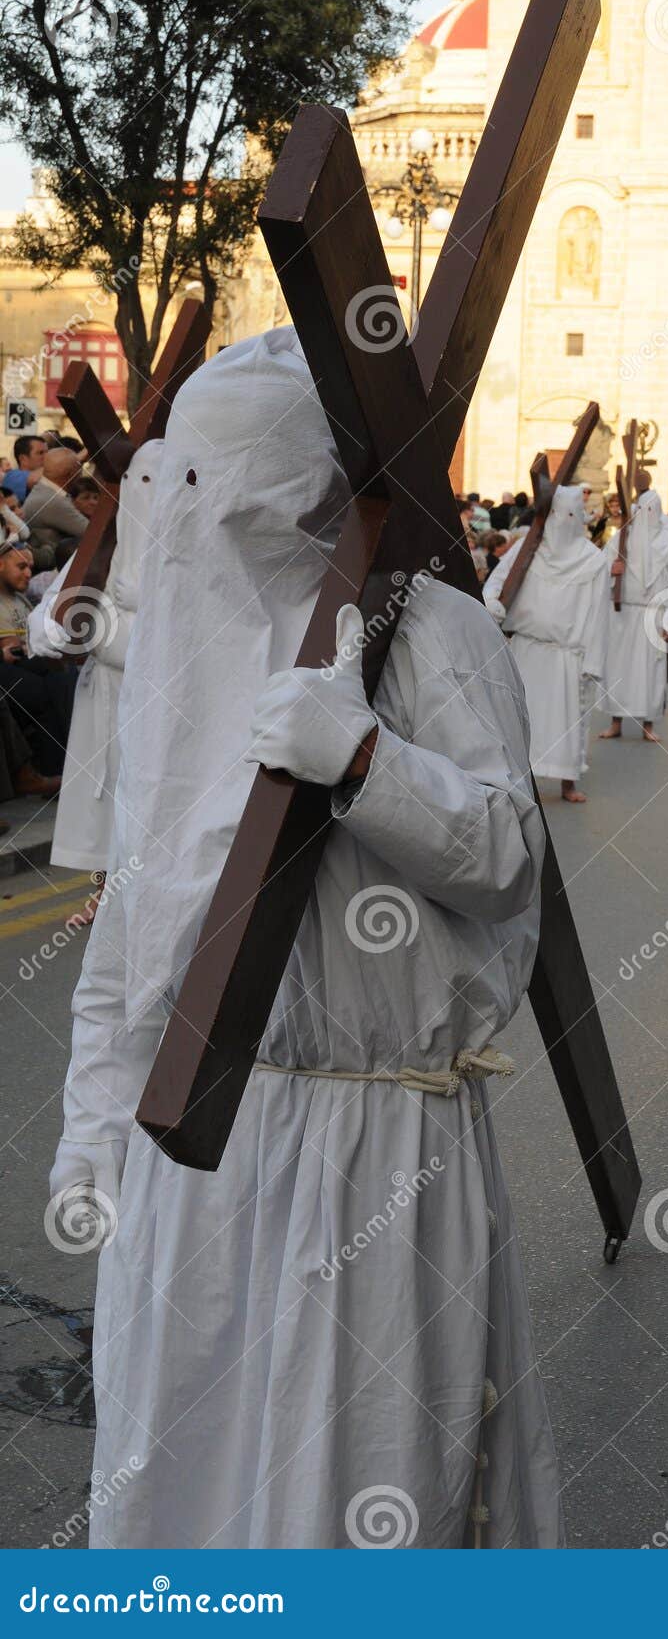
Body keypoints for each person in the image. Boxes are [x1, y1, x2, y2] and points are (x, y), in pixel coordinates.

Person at [48, 327, 561, 1550]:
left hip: (371, 1153)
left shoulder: (431, 631)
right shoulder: (179, 641)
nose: (199, 523)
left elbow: (503, 859)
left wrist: (368, 764)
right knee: (179, 1486)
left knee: (352, 1494)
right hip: (197, 1148)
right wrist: (91, 1130)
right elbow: (135, 919)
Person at [31, 442, 161, 888]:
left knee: (146, 802)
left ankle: (137, 889)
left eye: (151, 483)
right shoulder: (107, 538)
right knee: (102, 802)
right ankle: (104, 888)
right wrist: (50, 629)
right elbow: (58, 601)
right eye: (134, 481)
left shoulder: (184, 549)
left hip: (153, 700)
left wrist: (144, 604)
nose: (140, 492)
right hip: (103, 693)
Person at [484, 483, 608, 804]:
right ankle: (517, 779)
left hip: (567, 655)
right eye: (557, 514)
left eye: (570, 515)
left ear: (579, 518)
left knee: (570, 722)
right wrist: (493, 605)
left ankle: (568, 782)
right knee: (521, 717)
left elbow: (598, 615)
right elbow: (497, 581)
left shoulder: (593, 561)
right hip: (526, 648)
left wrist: (593, 662)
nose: (562, 522)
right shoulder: (528, 547)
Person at [599, 487, 668, 744]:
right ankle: (616, 721)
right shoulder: (621, 538)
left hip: (654, 615)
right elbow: (600, 565)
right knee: (619, 668)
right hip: (623, 613)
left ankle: (648, 724)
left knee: (652, 670)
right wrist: (611, 568)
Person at [0, 544, 77, 776]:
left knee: (62, 677)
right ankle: (56, 769)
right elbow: (11, 649)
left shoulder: (21, 600)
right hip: (7, 667)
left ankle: (63, 766)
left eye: (30, 568)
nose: (28, 574)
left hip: (30, 663)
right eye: (21, 566)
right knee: (49, 687)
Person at [22, 447, 88, 568]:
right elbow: (91, 532)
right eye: (79, 467)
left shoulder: (44, 489)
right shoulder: (53, 501)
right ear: (72, 474)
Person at [1, 434, 46, 505]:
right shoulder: (11, 476)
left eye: (47, 452)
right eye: (40, 453)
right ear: (23, 459)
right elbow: (34, 479)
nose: (47, 456)